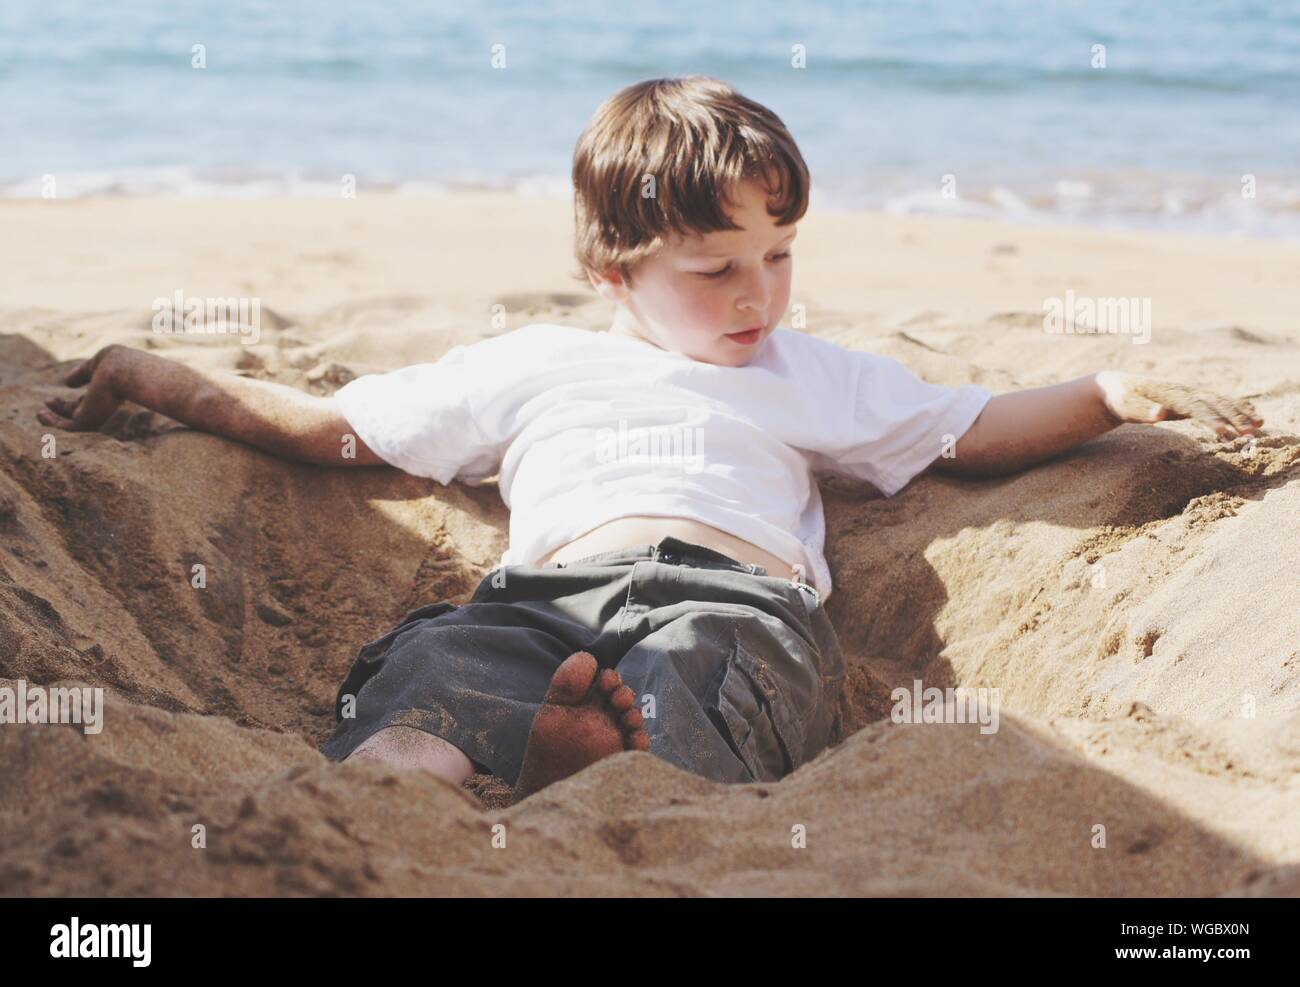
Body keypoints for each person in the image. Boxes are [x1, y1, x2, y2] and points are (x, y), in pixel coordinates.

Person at [38, 76, 1263, 802]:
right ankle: (413, 773)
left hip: (724, 589)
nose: (758, 297)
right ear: (606, 268)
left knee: (713, 666)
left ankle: (618, 773)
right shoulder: (530, 364)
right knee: (437, 666)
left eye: (779, 258)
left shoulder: (805, 373)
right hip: (539, 592)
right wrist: (171, 382)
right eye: (715, 268)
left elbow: (967, 430)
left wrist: (1105, 390)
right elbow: (335, 430)